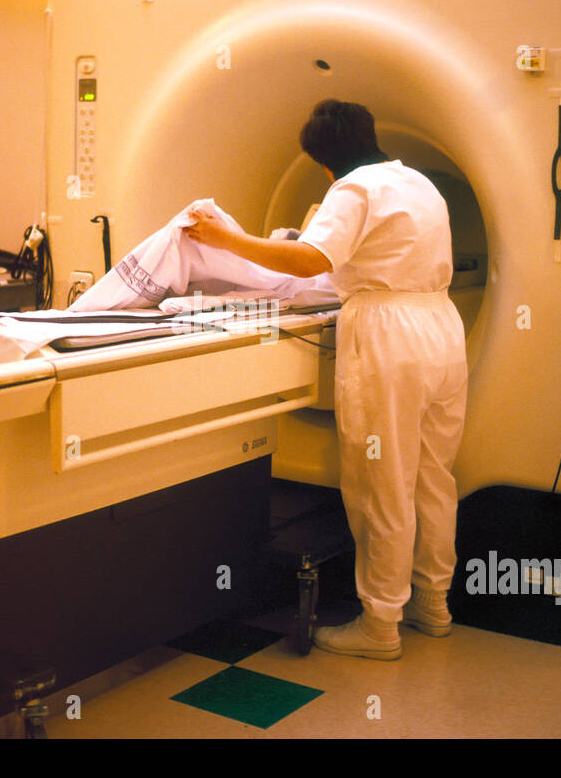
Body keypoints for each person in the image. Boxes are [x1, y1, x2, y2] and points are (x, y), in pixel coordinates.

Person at [185, 99, 468, 661]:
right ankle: (432, 605)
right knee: (433, 476)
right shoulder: (417, 181)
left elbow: (311, 260)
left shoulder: (353, 189)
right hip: (441, 326)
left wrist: (224, 240)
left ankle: (380, 624)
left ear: (322, 162)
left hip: (389, 332)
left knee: (381, 483)